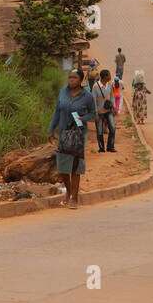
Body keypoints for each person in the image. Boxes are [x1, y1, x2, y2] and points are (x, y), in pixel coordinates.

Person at [48, 70, 96, 209]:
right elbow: (57, 111)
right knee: (62, 166)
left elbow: (93, 113)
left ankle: (74, 198)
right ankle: (68, 191)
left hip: (79, 134)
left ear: (80, 80)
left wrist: (84, 118)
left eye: (74, 78)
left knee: (76, 165)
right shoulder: (63, 91)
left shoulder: (87, 96)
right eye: (70, 77)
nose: (71, 80)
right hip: (64, 133)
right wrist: (51, 129)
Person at [94, 69, 116, 153]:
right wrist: (95, 113)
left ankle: (110, 147)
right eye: (109, 75)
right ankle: (101, 148)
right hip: (99, 112)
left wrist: (114, 108)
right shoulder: (95, 86)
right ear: (105, 77)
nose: (110, 76)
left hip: (108, 110)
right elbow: (93, 100)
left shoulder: (109, 85)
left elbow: (112, 96)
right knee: (99, 131)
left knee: (113, 128)